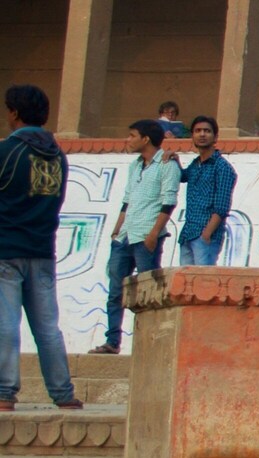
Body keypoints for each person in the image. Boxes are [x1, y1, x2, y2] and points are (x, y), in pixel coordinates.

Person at [0, 85, 83, 410]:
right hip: (43, 249)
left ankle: (4, 392)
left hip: (6, 249)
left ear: (14, 113)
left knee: (6, 324)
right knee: (47, 327)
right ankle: (63, 394)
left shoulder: (8, 151)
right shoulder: (57, 155)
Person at [90, 120, 181, 354]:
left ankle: (149, 343)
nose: (128, 140)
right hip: (125, 235)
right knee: (116, 291)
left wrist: (153, 234)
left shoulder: (167, 164)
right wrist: (116, 230)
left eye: (132, 135)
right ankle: (112, 341)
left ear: (145, 139)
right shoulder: (135, 166)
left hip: (146, 235)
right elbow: (127, 200)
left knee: (148, 292)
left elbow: (168, 202)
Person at [177, 116, 235, 266]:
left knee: (203, 283)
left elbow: (221, 207)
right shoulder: (195, 164)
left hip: (205, 236)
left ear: (215, 137)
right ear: (192, 136)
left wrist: (207, 234)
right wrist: (174, 160)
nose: (202, 134)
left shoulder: (222, 167)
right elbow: (182, 177)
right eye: (198, 131)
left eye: (207, 131)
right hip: (188, 232)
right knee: (186, 285)